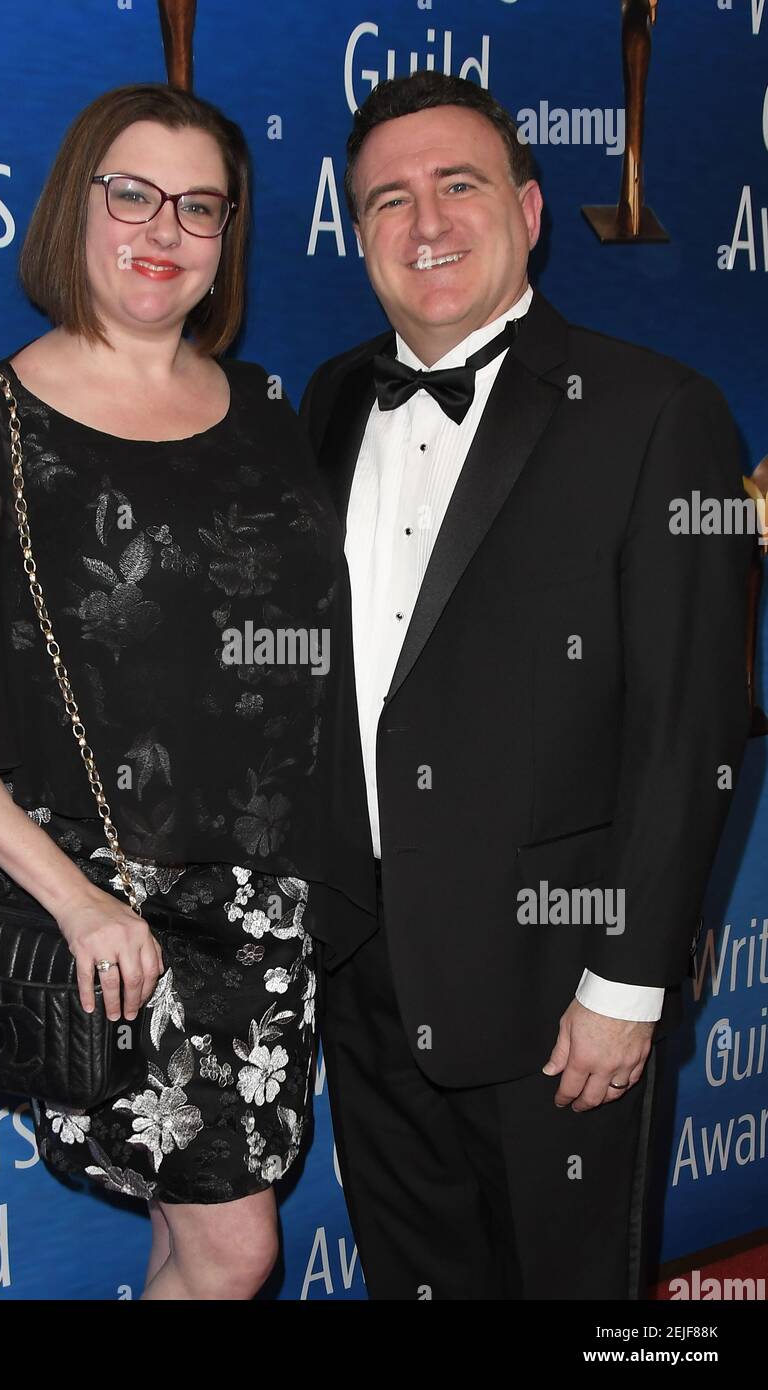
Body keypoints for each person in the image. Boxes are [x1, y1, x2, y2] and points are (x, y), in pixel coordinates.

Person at [0, 82, 376, 1301]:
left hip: (265, 913)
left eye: (201, 206)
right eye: (131, 192)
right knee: (239, 1247)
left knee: (195, 1241)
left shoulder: (266, 410)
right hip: (110, 921)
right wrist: (81, 904)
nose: (164, 228)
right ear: (73, 206)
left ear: (229, 236)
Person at [300, 71, 751, 1300]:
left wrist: (627, 983)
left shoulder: (660, 412)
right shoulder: (330, 401)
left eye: (459, 184)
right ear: (356, 232)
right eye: (387, 199)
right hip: (365, 977)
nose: (425, 222)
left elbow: (691, 726)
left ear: (532, 208)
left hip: (560, 995)